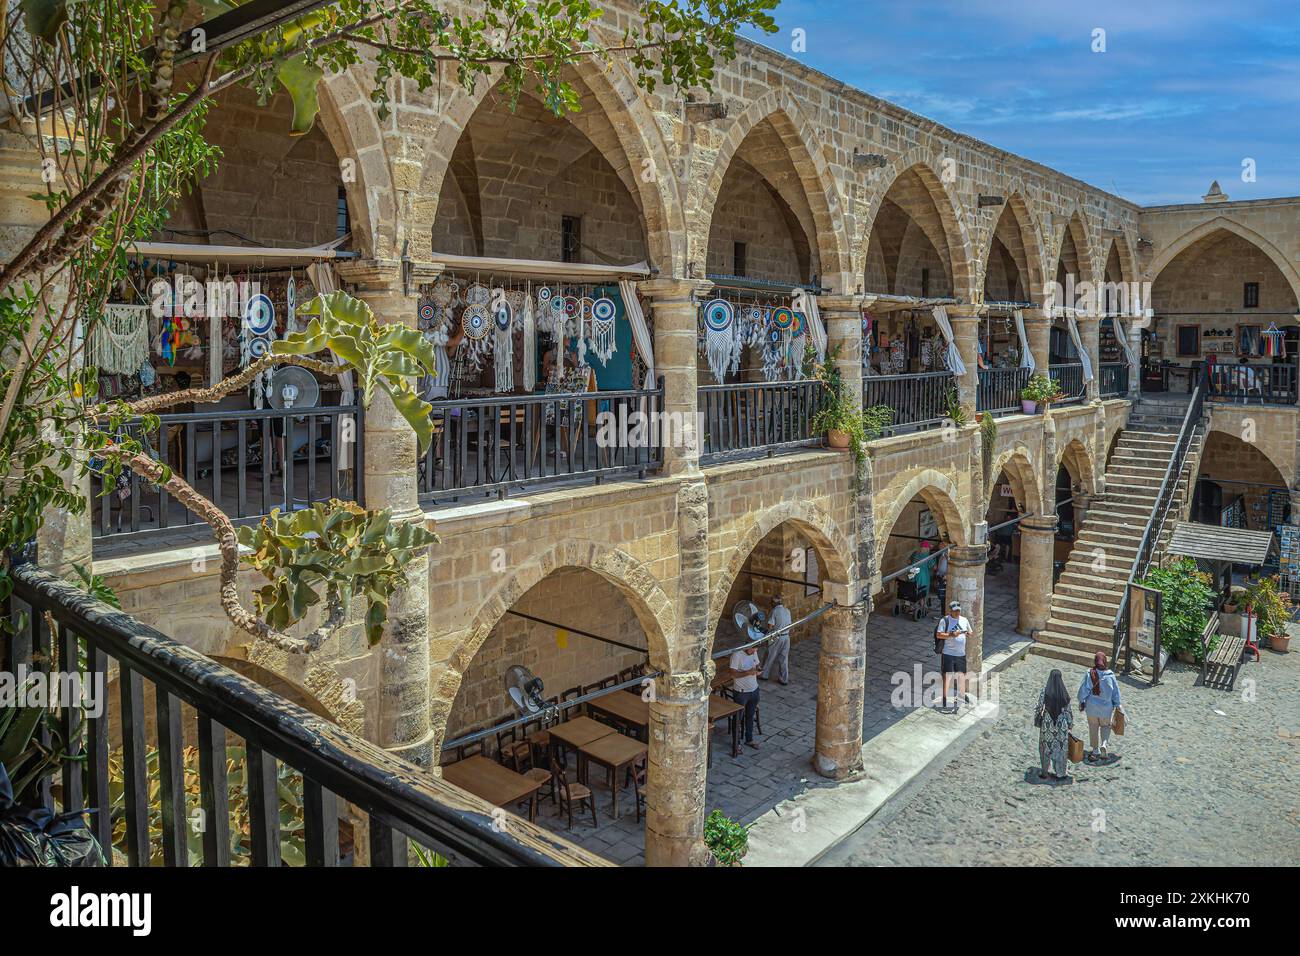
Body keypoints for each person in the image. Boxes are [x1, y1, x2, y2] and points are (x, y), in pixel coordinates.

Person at [1077, 651, 1124, 763]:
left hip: (1091, 708)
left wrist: (1081, 701)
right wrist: (1118, 705)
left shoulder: (1089, 674)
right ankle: (1104, 744)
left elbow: (1083, 691)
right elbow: (1115, 693)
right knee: (1105, 726)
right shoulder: (1110, 676)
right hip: (1106, 709)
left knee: (1093, 727)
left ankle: (1095, 750)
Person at [1034, 669, 1074, 781]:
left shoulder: (1045, 691)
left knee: (1045, 748)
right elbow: (1068, 710)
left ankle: (1044, 772)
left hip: (1047, 724)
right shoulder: (1064, 693)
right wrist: (1070, 724)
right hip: (1061, 725)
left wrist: (1037, 720)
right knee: (1061, 748)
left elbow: (1038, 707)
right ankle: (1061, 772)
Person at [935, 601, 972, 710]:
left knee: (962, 675)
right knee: (947, 676)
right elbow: (939, 635)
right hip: (948, 653)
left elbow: (970, 632)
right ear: (950, 611)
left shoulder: (964, 620)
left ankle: (962, 694)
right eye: (955, 611)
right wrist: (951, 634)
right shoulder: (945, 620)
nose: (957, 613)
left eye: (958, 611)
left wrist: (968, 633)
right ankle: (945, 698)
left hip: (961, 654)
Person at [729, 643, 762, 749]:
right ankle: (736, 743)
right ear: (748, 645)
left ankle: (749, 739)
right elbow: (733, 674)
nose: (755, 652)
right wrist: (748, 672)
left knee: (750, 716)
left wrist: (758, 669)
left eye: (756, 649)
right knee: (738, 718)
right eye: (753, 649)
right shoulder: (737, 655)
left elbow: (757, 664)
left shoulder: (754, 652)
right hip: (741, 693)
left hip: (754, 689)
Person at [760, 595, 793, 685]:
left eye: (771, 602)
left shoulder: (774, 611)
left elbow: (770, 626)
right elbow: (789, 624)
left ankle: (764, 675)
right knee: (784, 658)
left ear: (774, 603)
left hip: (777, 637)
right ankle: (784, 679)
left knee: (770, 656)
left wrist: (766, 634)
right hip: (786, 637)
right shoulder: (787, 610)